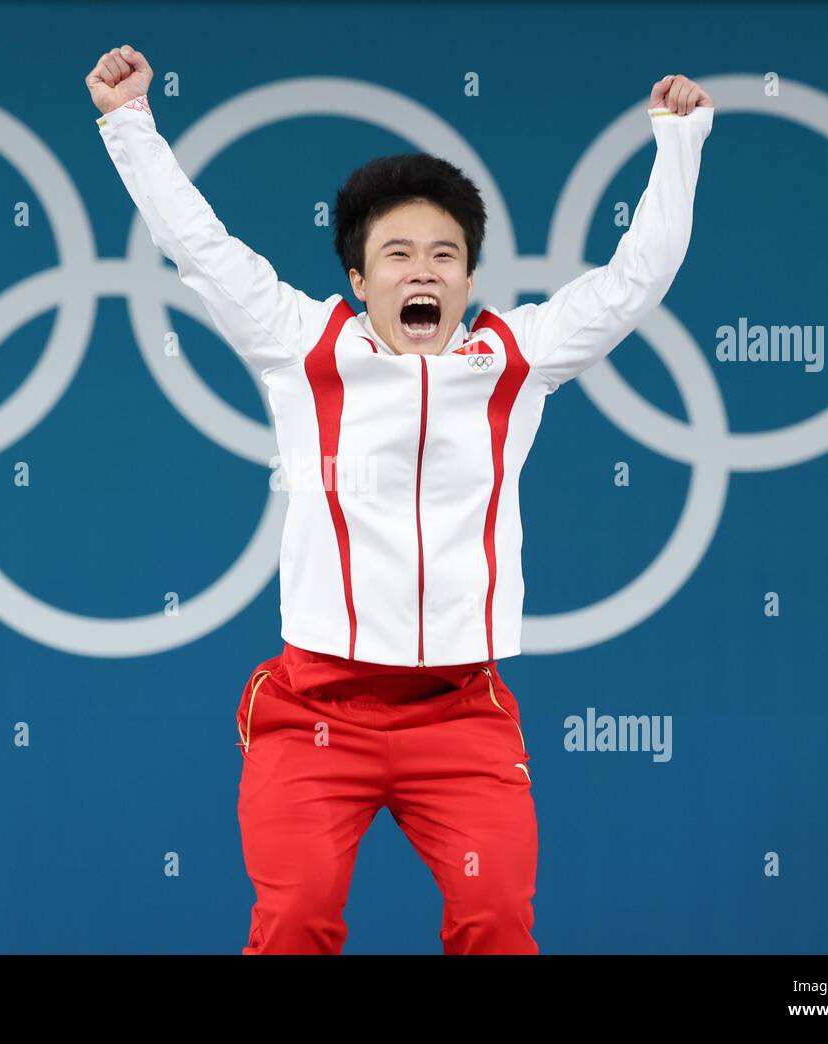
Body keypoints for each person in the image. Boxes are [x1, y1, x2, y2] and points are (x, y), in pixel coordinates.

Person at [86, 45, 714, 954]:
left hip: (462, 717)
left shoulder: (519, 359)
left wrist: (681, 140)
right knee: (295, 919)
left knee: (496, 921)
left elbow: (636, 281)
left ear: (468, 280)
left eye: (445, 255)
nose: (423, 272)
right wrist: (128, 122)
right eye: (397, 254)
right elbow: (197, 245)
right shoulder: (297, 343)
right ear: (358, 279)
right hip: (315, 718)